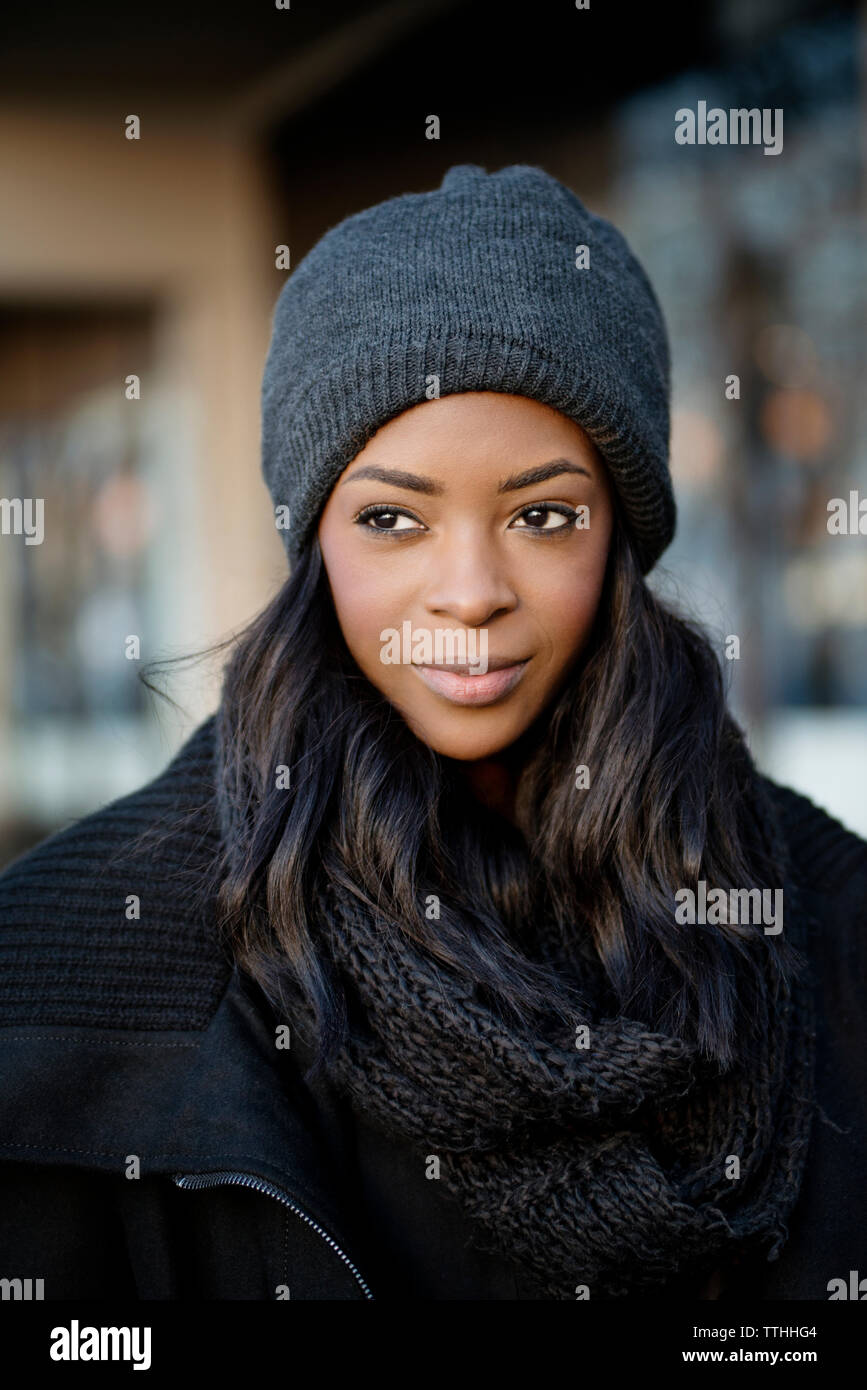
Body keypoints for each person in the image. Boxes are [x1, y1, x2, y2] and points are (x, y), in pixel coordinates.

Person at [0, 163, 865, 1302]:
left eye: (542, 515)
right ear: (315, 542)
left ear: (620, 539)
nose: (469, 591)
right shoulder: (61, 965)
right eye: (393, 518)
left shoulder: (825, 914)